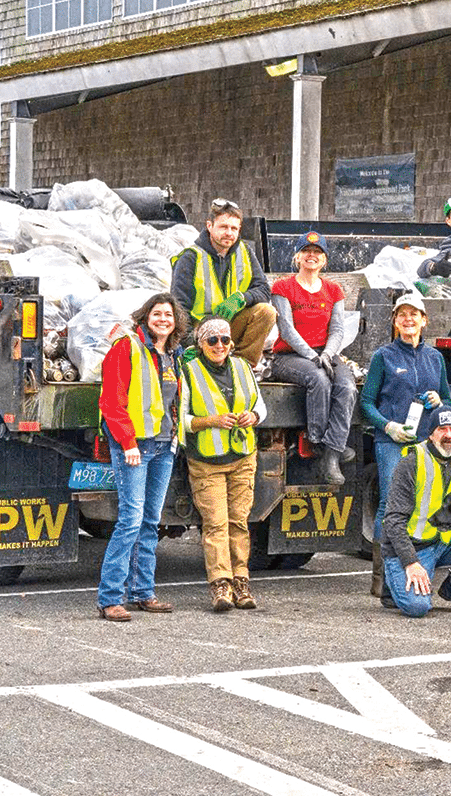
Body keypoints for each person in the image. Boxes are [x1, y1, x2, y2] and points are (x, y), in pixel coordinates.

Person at [95, 293, 188, 622]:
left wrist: (175, 439)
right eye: (157, 314)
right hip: (135, 447)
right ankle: (110, 598)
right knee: (130, 522)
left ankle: (143, 593)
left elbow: (173, 402)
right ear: (145, 317)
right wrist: (128, 442)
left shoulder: (173, 354)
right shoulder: (128, 346)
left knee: (150, 522)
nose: (163, 319)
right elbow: (111, 401)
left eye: (169, 315)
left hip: (164, 446)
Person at [360, 291, 451, 601]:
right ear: (395, 321)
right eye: (402, 314)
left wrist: (441, 402)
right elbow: (367, 403)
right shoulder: (383, 356)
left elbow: (448, 401)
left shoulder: (435, 357)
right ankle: (384, 583)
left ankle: (410, 573)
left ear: (425, 320)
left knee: (419, 504)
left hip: (426, 444)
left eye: (414, 314)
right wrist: (387, 426)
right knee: (390, 506)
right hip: (391, 443)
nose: (408, 319)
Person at [179, 317, 268, 612]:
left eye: (225, 340)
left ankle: (241, 583)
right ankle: (221, 585)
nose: (220, 345)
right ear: (201, 344)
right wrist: (210, 422)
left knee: (239, 523)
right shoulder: (189, 371)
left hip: (242, 456)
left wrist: (253, 417)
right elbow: (182, 420)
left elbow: (260, 406)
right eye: (212, 340)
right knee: (215, 524)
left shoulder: (242, 367)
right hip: (207, 462)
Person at [269, 230, 359, 486]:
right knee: (319, 379)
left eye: (317, 253)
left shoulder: (333, 290)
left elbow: (338, 329)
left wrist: (328, 354)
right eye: (307, 252)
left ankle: (332, 451)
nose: (312, 256)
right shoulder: (283, 287)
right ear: (297, 257)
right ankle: (318, 442)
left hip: (326, 353)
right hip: (289, 356)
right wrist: (312, 355)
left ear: (324, 260)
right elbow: (286, 328)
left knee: (347, 386)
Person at [380, 408, 451, 618]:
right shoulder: (411, 461)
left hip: (446, 541)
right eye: (442, 429)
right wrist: (410, 562)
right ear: (431, 433)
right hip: (414, 546)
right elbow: (392, 520)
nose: (448, 435)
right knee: (417, 607)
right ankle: (392, 582)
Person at [171, 198, 277, 368]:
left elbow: (264, 290)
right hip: (202, 330)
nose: (229, 233)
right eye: (223, 227)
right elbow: (178, 308)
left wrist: (242, 298)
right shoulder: (190, 257)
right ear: (209, 226)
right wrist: (189, 344)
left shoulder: (245, 252)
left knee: (267, 312)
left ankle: (241, 367)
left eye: (234, 228)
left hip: (231, 324)